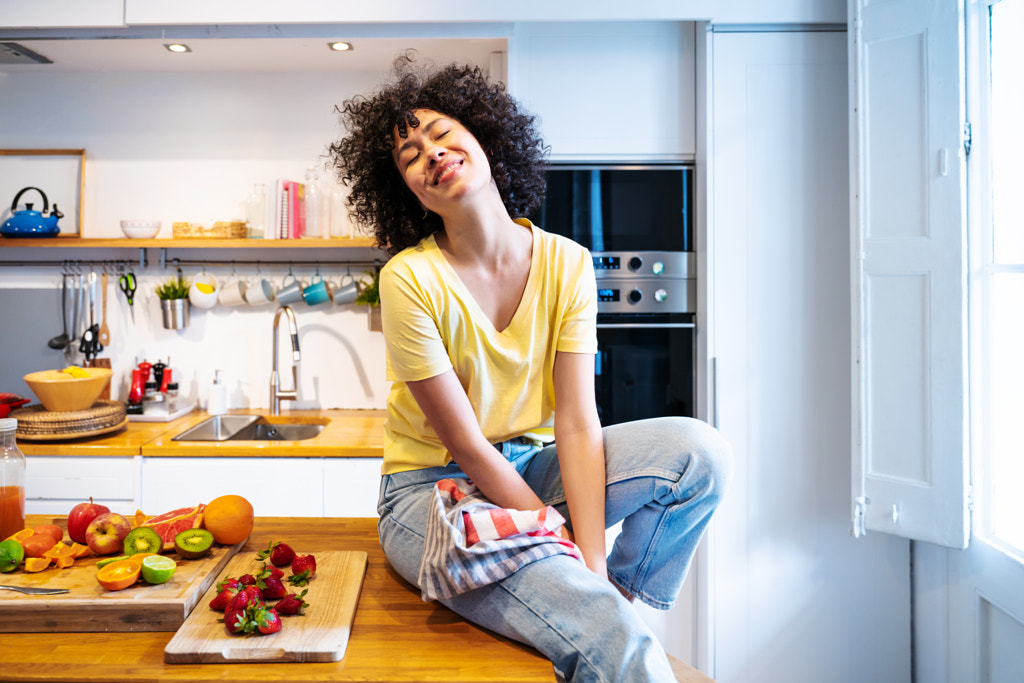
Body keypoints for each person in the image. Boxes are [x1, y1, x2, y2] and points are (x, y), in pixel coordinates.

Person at [330, 54, 732, 683]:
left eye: (440, 133)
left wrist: (591, 564)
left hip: (531, 466)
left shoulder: (566, 262)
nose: (429, 153)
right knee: (613, 641)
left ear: (484, 140)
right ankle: (605, 625)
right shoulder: (408, 278)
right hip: (432, 493)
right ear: (405, 190)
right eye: (409, 156)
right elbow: (463, 444)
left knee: (701, 455)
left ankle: (612, 605)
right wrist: (559, 541)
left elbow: (576, 420)